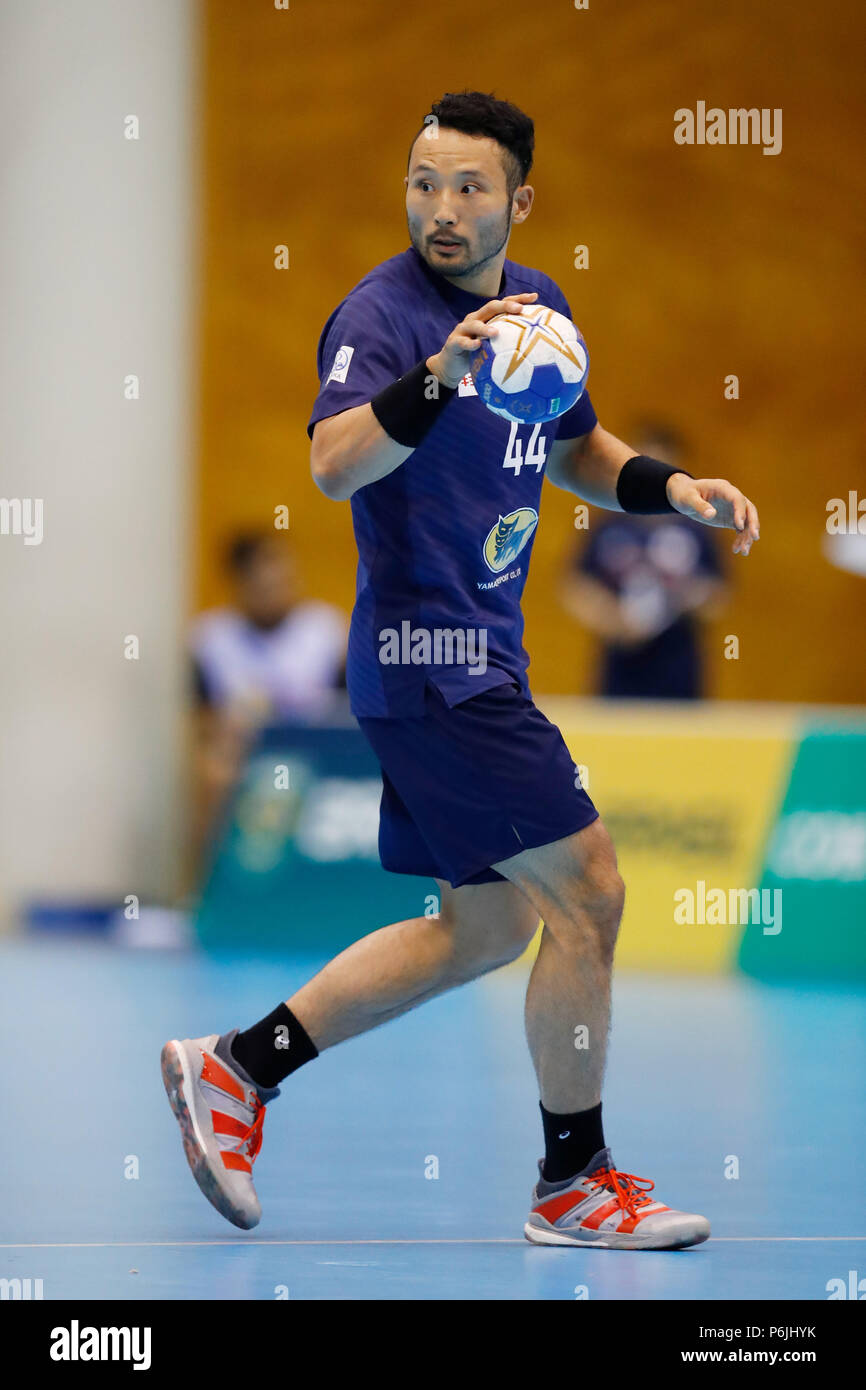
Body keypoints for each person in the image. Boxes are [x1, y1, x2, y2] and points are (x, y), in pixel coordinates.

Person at [163, 91, 759, 1250]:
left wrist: (668, 492)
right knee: (589, 890)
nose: (440, 208)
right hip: (431, 663)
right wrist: (437, 374)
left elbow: (575, 444)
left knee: (482, 928)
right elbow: (334, 464)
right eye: (422, 183)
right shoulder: (382, 316)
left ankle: (236, 1070)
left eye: (468, 186)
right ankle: (572, 1182)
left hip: (482, 656)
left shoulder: (542, 311)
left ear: (518, 201)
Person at [188, 532, 347, 873]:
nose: (277, 586)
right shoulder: (212, 637)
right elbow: (201, 723)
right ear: (240, 583)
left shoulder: (325, 630)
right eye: (264, 581)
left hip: (319, 752)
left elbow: (354, 711)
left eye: (284, 577)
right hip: (248, 757)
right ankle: (211, 888)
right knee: (213, 770)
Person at [561, 423, 728, 698]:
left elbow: (719, 598)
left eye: (664, 469)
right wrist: (610, 618)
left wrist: (689, 595)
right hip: (620, 661)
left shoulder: (698, 529)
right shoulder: (608, 527)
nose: (654, 481)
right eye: (647, 468)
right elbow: (574, 585)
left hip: (678, 662)